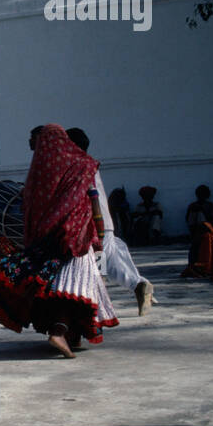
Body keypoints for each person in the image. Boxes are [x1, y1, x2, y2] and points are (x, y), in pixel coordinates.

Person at [0, 124, 118, 358]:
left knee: (58, 288)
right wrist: (100, 233)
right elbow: (92, 202)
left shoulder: (41, 171)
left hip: (47, 239)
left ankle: (71, 335)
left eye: (33, 138)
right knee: (76, 288)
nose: (30, 143)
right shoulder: (81, 166)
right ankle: (59, 332)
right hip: (75, 237)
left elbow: (29, 206)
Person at [66, 127, 154, 315]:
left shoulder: (81, 165)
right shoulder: (86, 163)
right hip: (102, 226)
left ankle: (95, 315)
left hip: (94, 227)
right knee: (112, 263)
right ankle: (139, 285)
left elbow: (92, 198)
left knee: (99, 269)